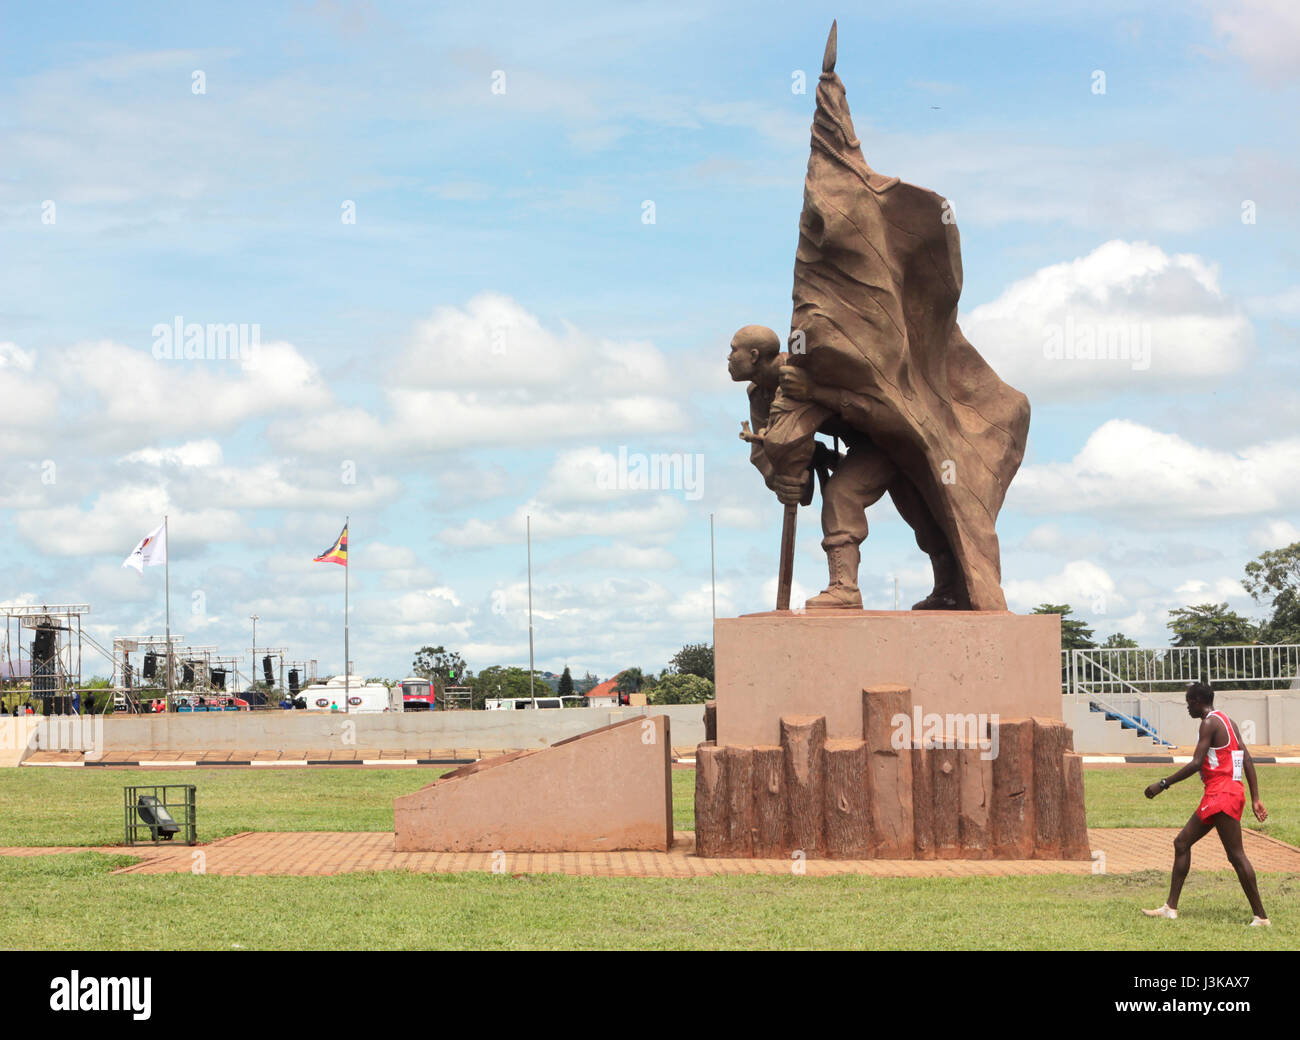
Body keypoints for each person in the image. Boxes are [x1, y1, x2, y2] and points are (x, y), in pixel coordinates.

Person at [1141, 682, 1269, 925]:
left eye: (1189, 702)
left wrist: (1163, 784)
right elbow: (1247, 758)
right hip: (1226, 792)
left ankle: (1261, 916)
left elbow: (1196, 762)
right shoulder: (1227, 720)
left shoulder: (1208, 722)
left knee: (1236, 855)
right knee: (1181, 842)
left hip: (1221, 794)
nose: (1187, 707)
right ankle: (1170, 907)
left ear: (1198, 701)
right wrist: (1255, 798)